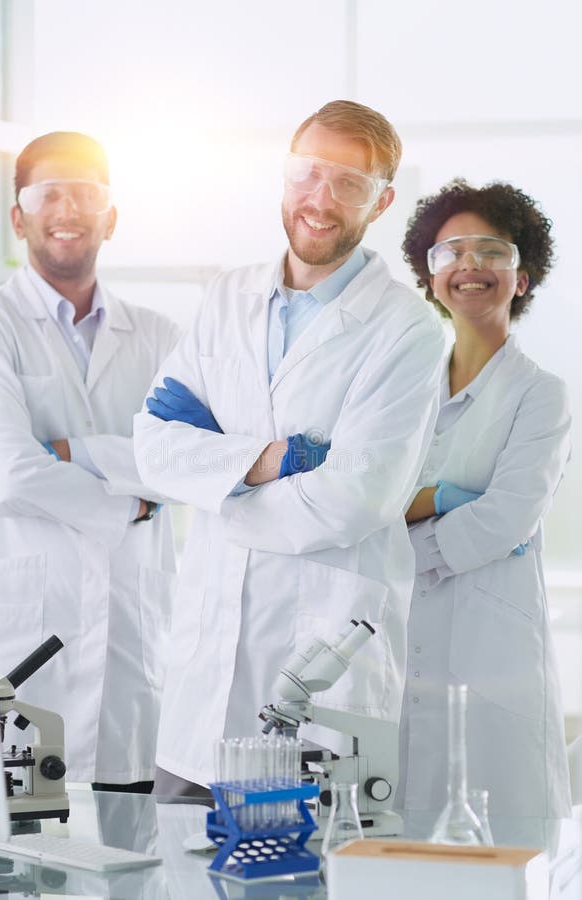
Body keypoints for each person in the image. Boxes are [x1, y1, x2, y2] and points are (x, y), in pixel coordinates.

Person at [133, 100, 446, 795]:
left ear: (382, 201)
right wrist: (272, 461)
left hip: (321, 682)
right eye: (308, 173)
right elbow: (153, 449)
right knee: (174, 855)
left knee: (309, 857)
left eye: (349, 183)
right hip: (200, 684)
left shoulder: (409, 330)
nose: (320, 199)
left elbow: (352, 501)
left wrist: (215, 488)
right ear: (285, 174)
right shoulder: (227, 297)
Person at [0, 132, 180, 791]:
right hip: (26, 643)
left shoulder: (160, 336)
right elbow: (5, 477)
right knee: (22, 837)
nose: (68, 210)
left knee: (133, 833)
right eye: (48, 195)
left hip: (133, 645)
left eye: (86, 195)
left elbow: (191, 460)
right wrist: (134, 498)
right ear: (18, 217)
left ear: (112, 216)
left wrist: (75, 453)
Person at [397, 179, 571, 818]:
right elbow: (361, 498)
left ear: (522, 278)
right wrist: (441, 500)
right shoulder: (403, 393)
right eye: (451, 252)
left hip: (494, 659)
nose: (470, 264)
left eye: (492, 250)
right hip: (400, 652)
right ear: (431, 278)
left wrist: (398, 532)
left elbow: (504, 519)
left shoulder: (541, 394)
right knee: (397, 842)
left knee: (497, 841)